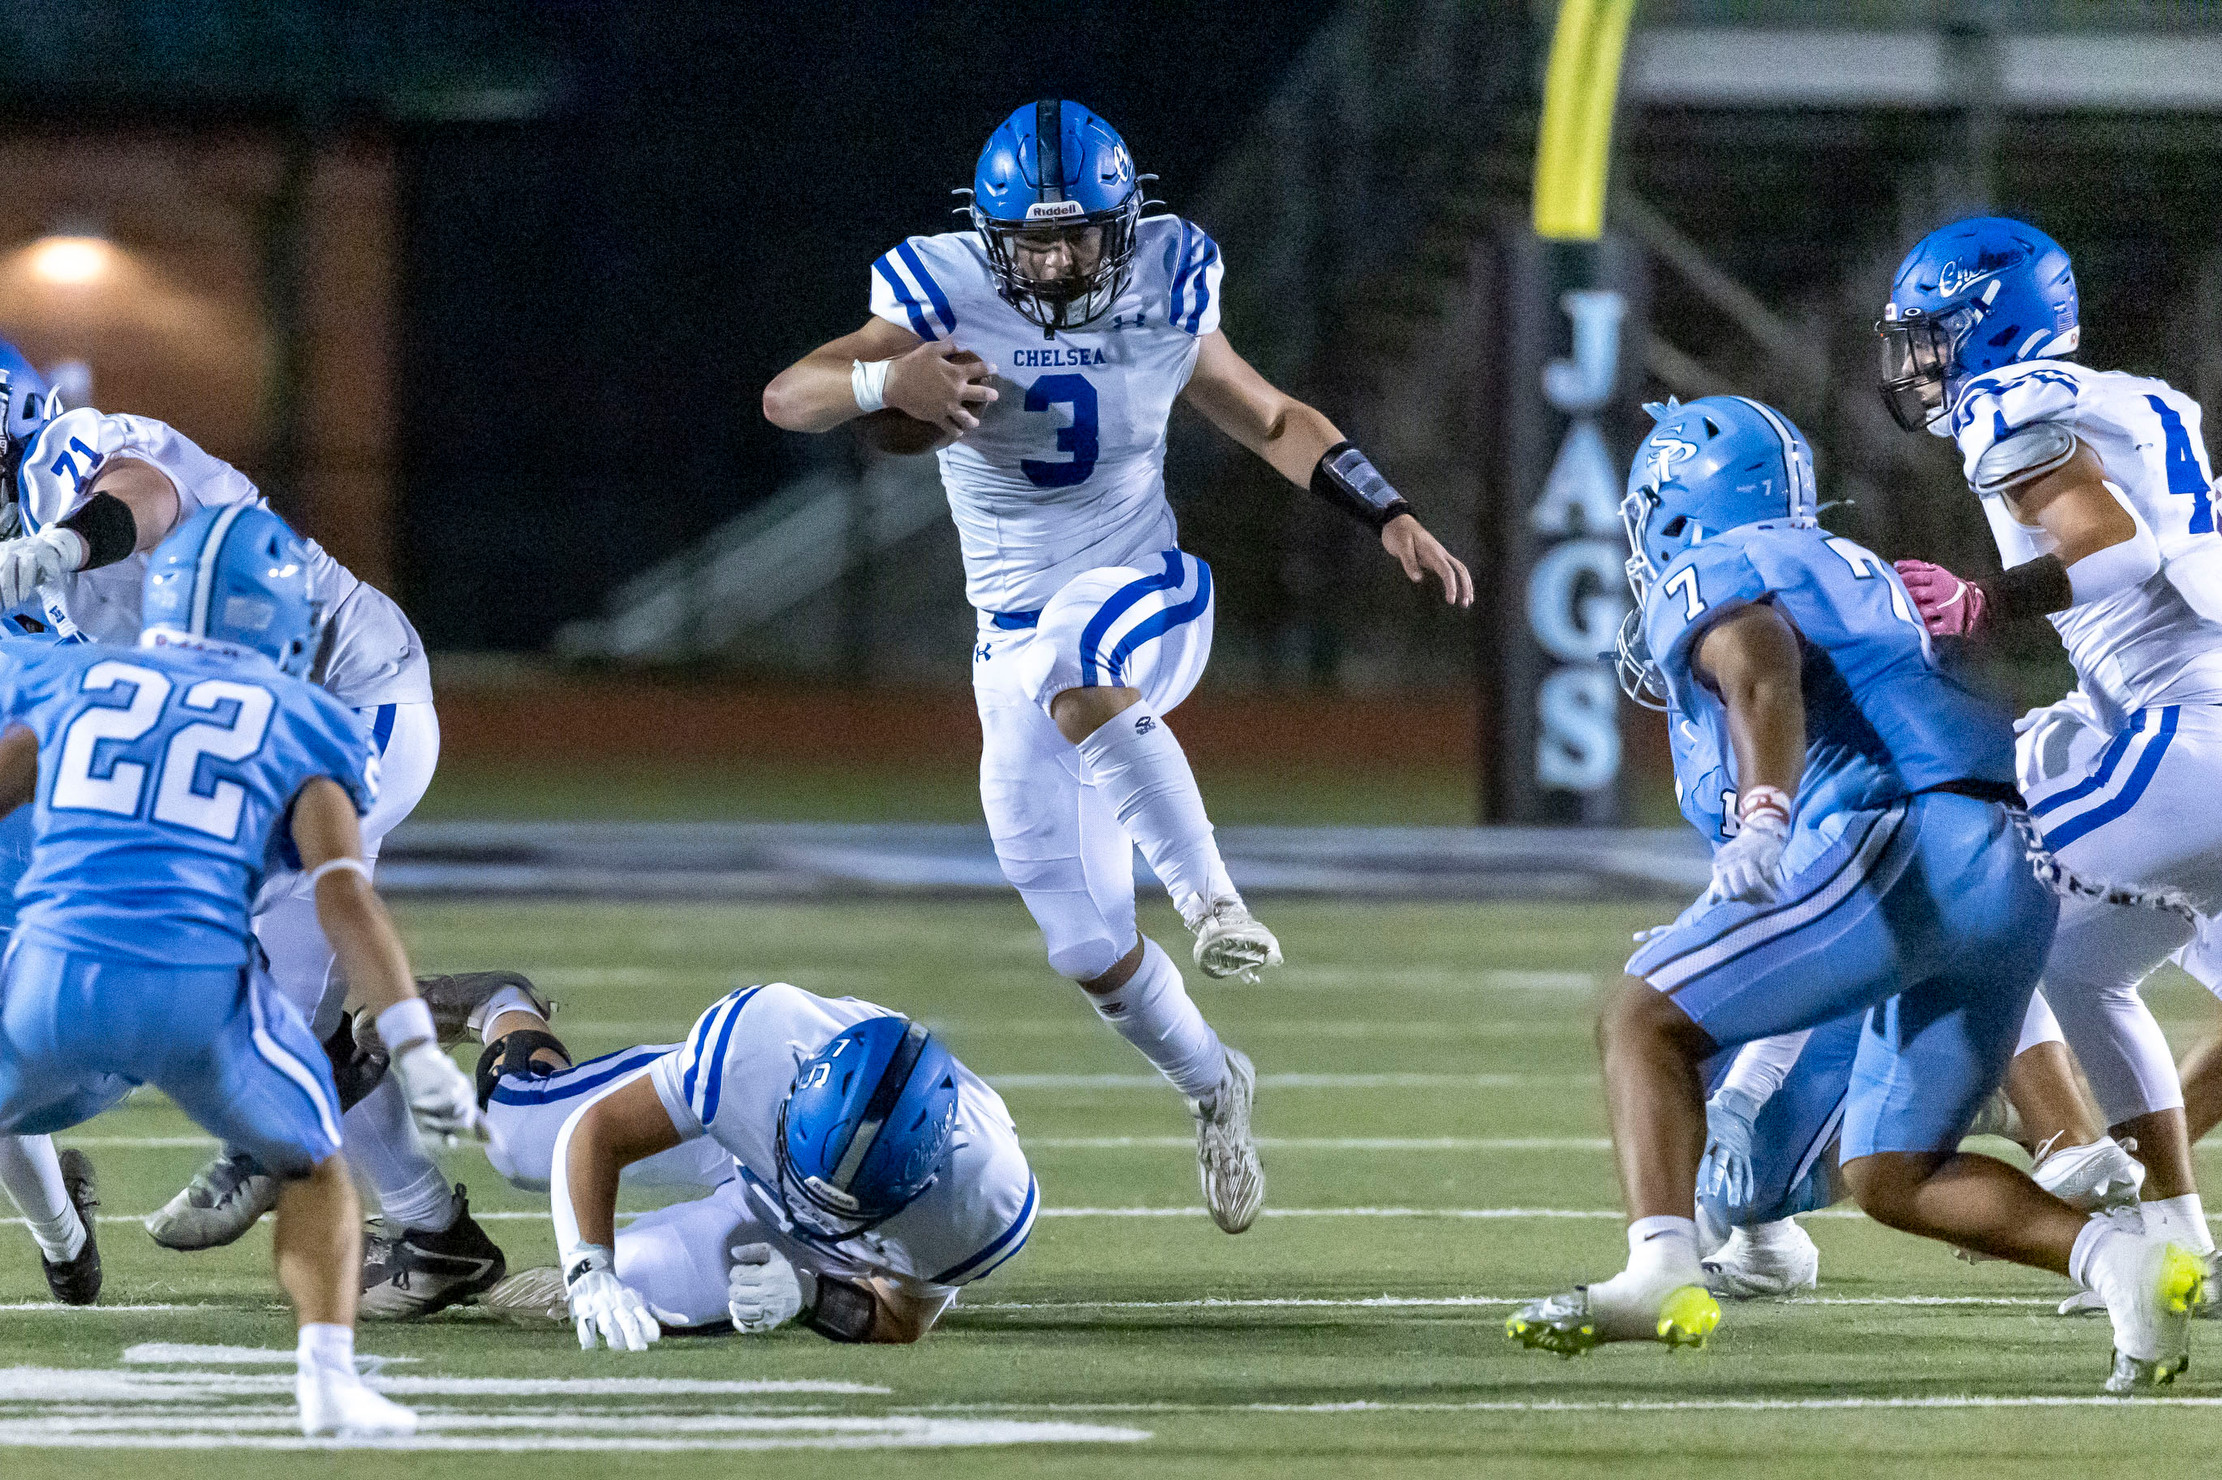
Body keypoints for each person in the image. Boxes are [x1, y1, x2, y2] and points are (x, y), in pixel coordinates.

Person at [762, 99, 1471, 1233]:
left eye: (1075, 237)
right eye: (1028, 241)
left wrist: (1382, 511)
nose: (1049, 262)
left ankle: (1215, 901)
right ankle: (1214, 1083)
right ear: (986, 235)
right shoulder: (936, 286)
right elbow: (786, 395)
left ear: (1123, 222)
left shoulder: (1170, 275)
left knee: (1081, 655)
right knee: (1085, 943)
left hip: (1142, 594)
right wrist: (882, 386)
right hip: (1006, 641)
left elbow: (1269, 414)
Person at [1508, 394, 2201, 1392]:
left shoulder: (1719, 566)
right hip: (2005, 863)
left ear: (1675, 507)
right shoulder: (1855, 568)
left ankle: (1660, 1269)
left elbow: (1757, 666)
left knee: (1641, 1020)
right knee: (1892, 1173)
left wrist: (1763, 813)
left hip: (1893, 840)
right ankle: (2124, 1261)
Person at [0, 351, 503, 1314]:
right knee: (272, 973)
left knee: (238, 945)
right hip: (244, 733)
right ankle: (433, 1233)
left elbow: (139, 495)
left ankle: (290, 1124)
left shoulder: (69, 451)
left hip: (347, 703)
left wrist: (64, 547)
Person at [1882, 216, 2222, 1265]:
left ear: (1987, 327)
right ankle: (2167, 1240)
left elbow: (2109, 548)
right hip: (2178, 727)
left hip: (2193, 740)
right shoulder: (2129, 396)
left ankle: (2068, 1153)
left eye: (1931, 338)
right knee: (2083, 972)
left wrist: (1985, 600)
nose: (1918, 366)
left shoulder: (2008, 402)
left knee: (1941, 888)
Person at [440, 981, 1034, 1346]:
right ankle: (502, 1002)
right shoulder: (758, 1047)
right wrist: (587, 1266)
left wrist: (811, 1296)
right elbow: (597, 1130)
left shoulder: (982, 1199)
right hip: (739, 1135)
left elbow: (900, 1317)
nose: (810, 1196)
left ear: (926, 1179)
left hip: (806, 1245)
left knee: (623, 1307)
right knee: (515, 1137)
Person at [1696, 995, 2145, 1300]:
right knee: (1733, 1190)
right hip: (1822, 973)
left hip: (1854, 979)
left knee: (1981, 929)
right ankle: (1975, 1109)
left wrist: (1743, 1095)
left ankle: (2062, 1139)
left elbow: (1798, 968)